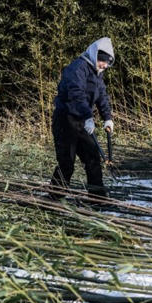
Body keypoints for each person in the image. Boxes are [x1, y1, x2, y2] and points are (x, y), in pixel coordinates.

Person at [50, 37, 115, 200]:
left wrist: (107, 117)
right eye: (103, 61)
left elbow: (102, 96)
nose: (105, 65)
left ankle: (98, 199)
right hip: (66, 120)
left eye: (108, 63)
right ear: (95, 55)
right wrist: (88, 117)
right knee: (67, 162)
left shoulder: (97, 73)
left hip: (82, 121)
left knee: (92, 158)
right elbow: (76, 95)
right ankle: (54, 197)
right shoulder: (78, 68)